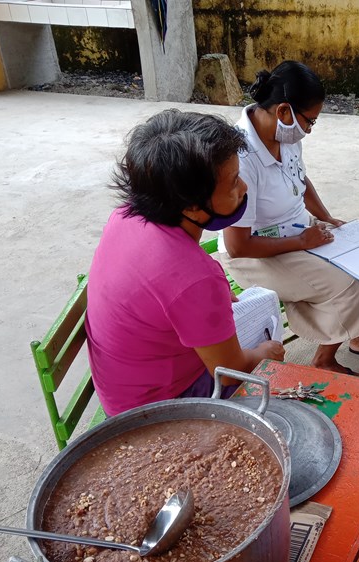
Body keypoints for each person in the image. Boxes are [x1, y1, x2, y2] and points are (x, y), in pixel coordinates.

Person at [217, 61, 359, 376]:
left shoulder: (285, 135)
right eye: (309, 121)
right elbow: (238, 246)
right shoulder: (240, 157)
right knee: (353, 284)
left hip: (299, 232)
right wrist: (301, 241)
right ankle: (324, 360)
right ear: (284, 111)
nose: (309, 129)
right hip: (258, 254)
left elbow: (300, 178)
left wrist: (326, 217)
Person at [85, 110, 284, 417]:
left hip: (124, 387)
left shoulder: (125, 216)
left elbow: (166, 283)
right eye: (233, 182)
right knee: (271, 351)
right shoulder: (195, 277)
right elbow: (229, 372)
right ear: (192, 205)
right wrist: (263, 354)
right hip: (157, 411)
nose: (244, 188)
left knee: (261, 302)